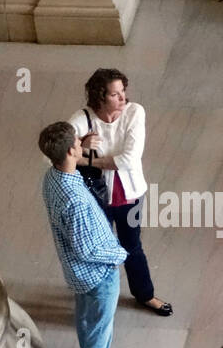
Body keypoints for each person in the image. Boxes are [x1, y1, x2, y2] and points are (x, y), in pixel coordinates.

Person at [38, 122, 139, 348]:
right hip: (97, 274)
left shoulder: (53, 177)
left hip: (77, 273)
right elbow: (88, 250)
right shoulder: (74, 199)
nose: (82, 143)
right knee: (98, 332)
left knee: (86, 320)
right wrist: (122, 254)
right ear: (72, 150)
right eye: (77, 141)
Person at [68, 69, 171, 317]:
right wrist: (79, 147)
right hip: (95, 198)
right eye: (115, 94)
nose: (123, 98)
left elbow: (127, 160)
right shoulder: (81, 119)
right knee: (97, 250)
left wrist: (82, 158)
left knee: (132, 246)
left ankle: (145, 295)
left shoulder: (135, 112)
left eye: (123, 91)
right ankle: (98, 297)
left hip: (130, 194)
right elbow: (53, 155)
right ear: (99, 97)